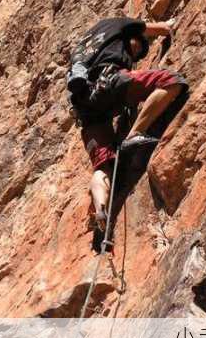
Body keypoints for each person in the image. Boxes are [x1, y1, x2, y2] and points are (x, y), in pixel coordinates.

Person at [67, 16, 188, 232]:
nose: (134, 55)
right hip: (110, 83)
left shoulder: (82, 48)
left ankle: (100, 208)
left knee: (102, 165)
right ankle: (136, 133)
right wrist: (170, 26)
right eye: (137, 49)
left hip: (86, 108)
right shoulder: (117, 24)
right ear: (132, 37)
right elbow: (160, 28)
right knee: (172, 81)